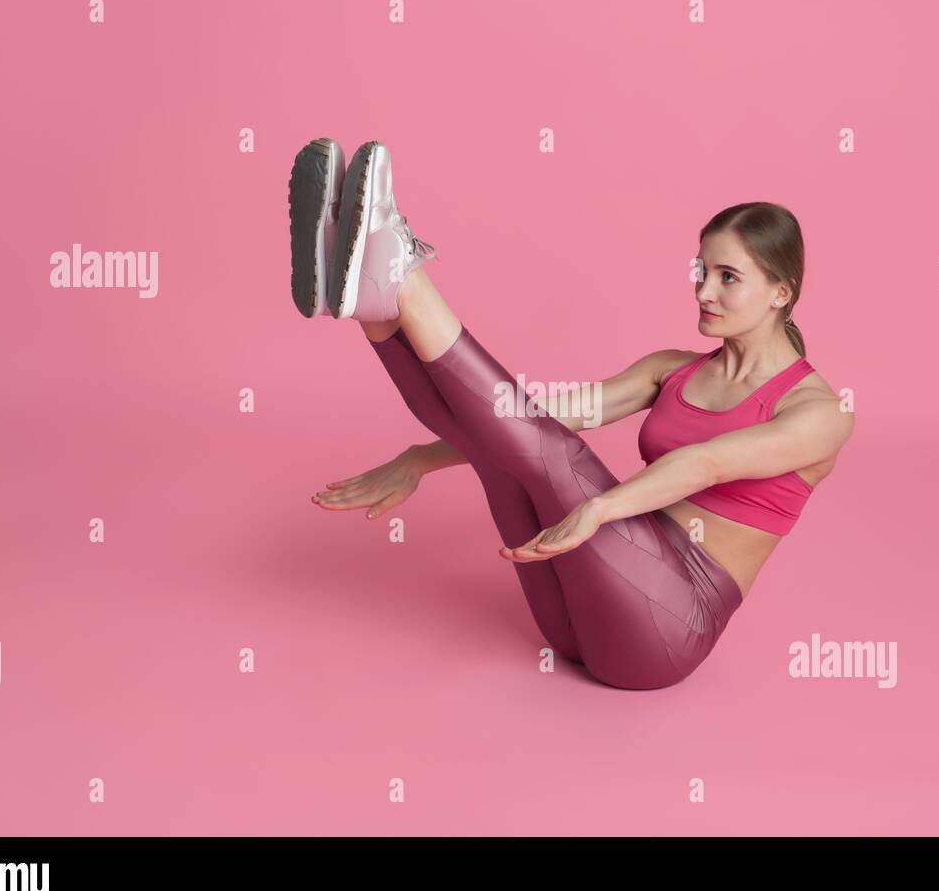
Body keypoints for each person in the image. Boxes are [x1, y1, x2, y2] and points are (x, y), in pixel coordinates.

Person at [289, 138, 855, 689]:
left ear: (781, 292)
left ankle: (403, 277)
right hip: (578, 614)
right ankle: (377, 311)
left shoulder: (819, 412)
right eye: (701, 271)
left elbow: (704, 464)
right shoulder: (673, 367)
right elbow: (539, 420)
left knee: (552, 454)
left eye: (728, 278)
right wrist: (420, 460)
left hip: (668, 629)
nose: (704, 290)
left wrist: (600, 509)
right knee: (505, 453)